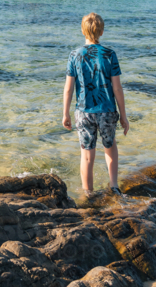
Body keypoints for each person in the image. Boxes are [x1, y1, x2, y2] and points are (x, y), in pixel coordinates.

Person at [62, 12, 129, 197]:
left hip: (83, 112)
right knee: (110, 146)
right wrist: (123, 115)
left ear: (82, 30)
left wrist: (65, 114)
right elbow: (117, 88)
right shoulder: (110, 55)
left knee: (86, 154)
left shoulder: (74, 55)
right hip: (106, 110)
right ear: (102, 31)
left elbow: (68, 89)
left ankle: (87, 192)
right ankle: (114, 186)